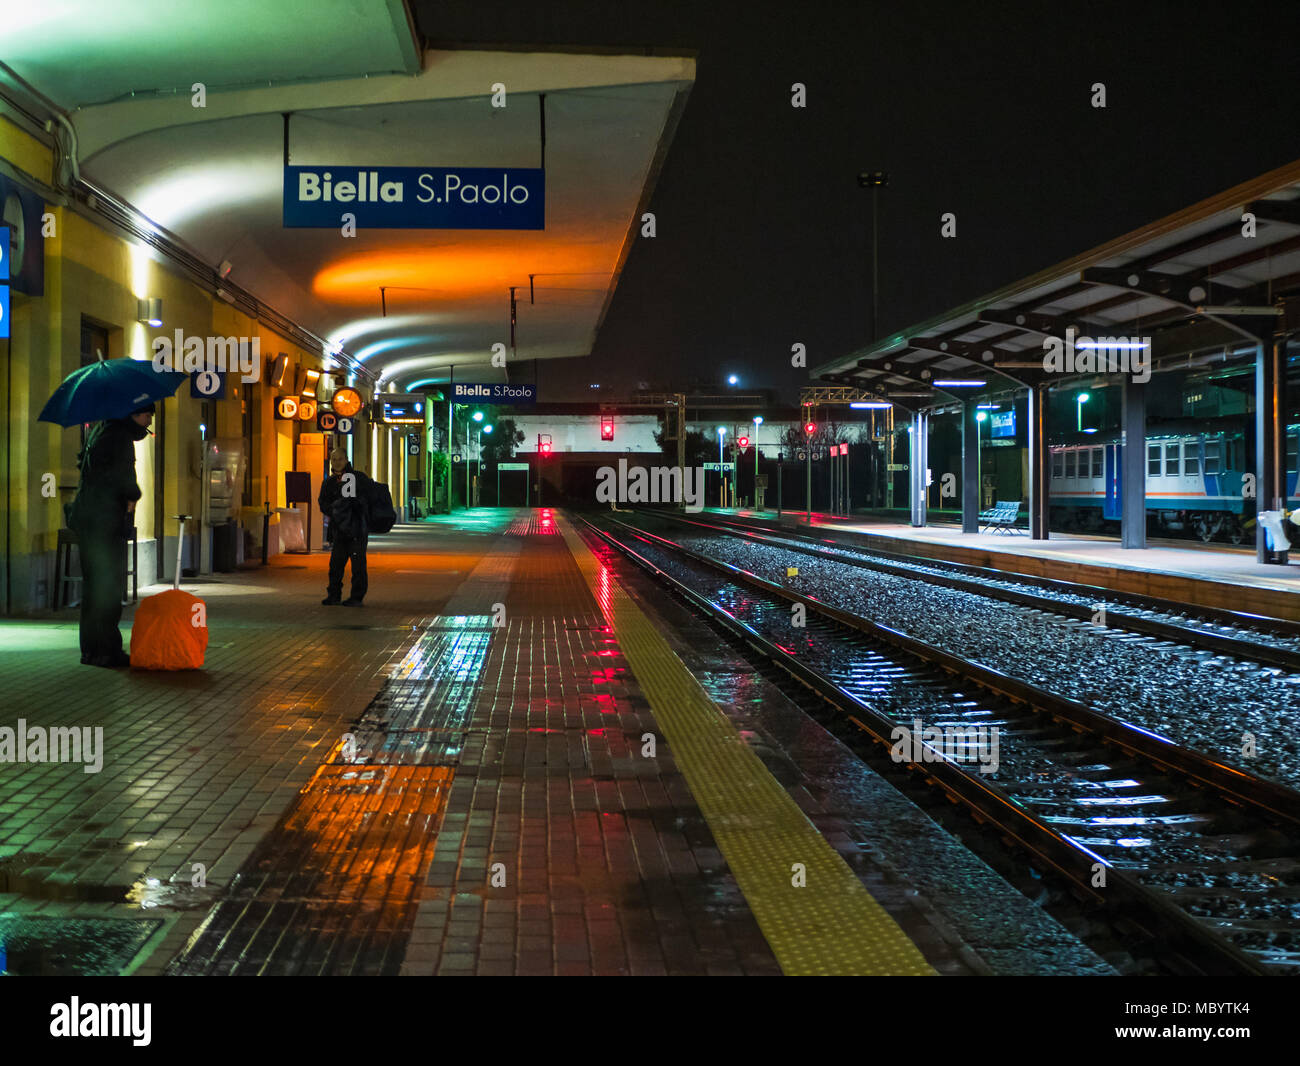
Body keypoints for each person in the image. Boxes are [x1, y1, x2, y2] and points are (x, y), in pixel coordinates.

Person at [66, 404, 152, 667]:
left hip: (89, 518)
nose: (149, 419)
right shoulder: (119, 437)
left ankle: (91, 650)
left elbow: (87, 466)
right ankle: (106, 651)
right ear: (133, 414)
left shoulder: (101, 431)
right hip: (104, 521)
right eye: (147, 414)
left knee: (95, 587)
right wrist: (132, 496)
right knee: (107, 587)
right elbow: (122, 477)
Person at [318, 449, 372, 606]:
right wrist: (335, 511)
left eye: (340, 459)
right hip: (339, 531)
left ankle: (357, 597)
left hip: (356, 530)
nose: (337, 462)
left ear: (346, 460)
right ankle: (334, 595)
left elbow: (366, 500)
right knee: (335, 565)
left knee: (358, 566)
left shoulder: (358, 478)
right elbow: (323, 502)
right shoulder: (329, 482)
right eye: (334, 459)